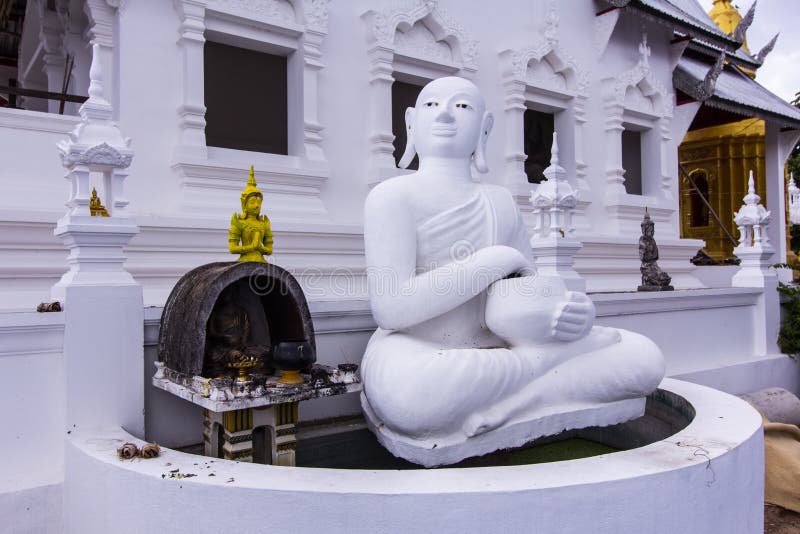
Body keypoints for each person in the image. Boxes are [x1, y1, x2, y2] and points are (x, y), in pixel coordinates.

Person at [360, 77, 664, 457]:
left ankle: (527, 392)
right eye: (431, 105)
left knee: (644, 358)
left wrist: (570, 314)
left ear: (484, 128)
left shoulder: (499, 201)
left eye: (462, 107)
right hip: (419, 351)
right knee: (411, 395)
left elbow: (526, 295)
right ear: (411, 123)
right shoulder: (391, 197)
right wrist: (493, 260)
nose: (445, 117)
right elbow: (391, 308)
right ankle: (551, 368)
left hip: (497, 350)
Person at [229, 166, 273, 263]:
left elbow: (269, 250)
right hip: (245, 260)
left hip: (262, 261)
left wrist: (260, 248)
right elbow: (232, 248)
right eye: (252, 202)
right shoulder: (239, 222)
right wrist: (251, 247)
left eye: (259, 202)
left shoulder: (264, 223)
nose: (257, 205)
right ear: (244, 205)